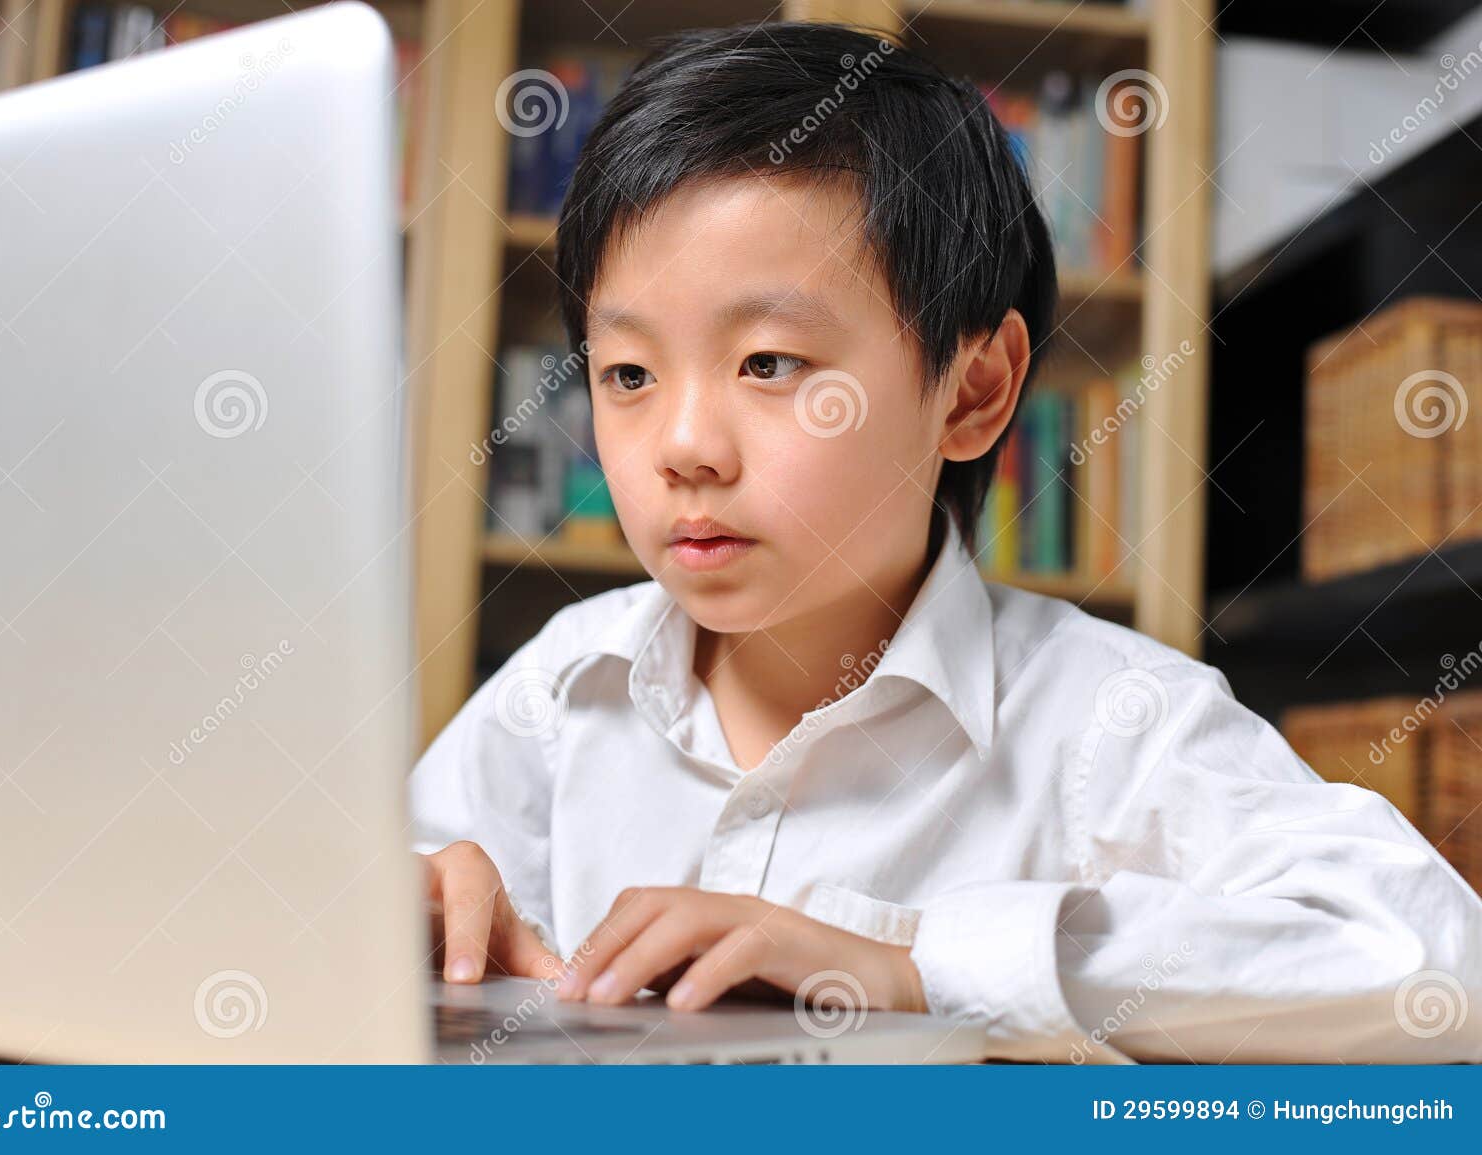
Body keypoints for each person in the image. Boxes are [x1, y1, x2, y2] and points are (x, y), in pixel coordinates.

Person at [409, 20, 1482, 1062]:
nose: (682, 448)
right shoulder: (557, 692)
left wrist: (912, 963)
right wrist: (406, 901)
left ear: (972, 393)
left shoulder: (1111, 723)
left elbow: (1436, 967)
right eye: (628, 375)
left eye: (770, 363)